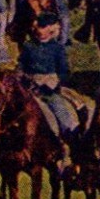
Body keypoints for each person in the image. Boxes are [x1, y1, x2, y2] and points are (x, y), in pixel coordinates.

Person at [20, 11, 77, 165]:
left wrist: (55, 82)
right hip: (31, 88)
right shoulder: (28, 46)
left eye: (44, 27)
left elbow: (65, 71)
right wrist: (28, 78)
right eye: (38, 26)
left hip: (50, 89)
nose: (40, 30)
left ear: (50, 29)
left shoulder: (57, 48)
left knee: (64, 118)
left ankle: (67, 150)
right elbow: (21, 67)